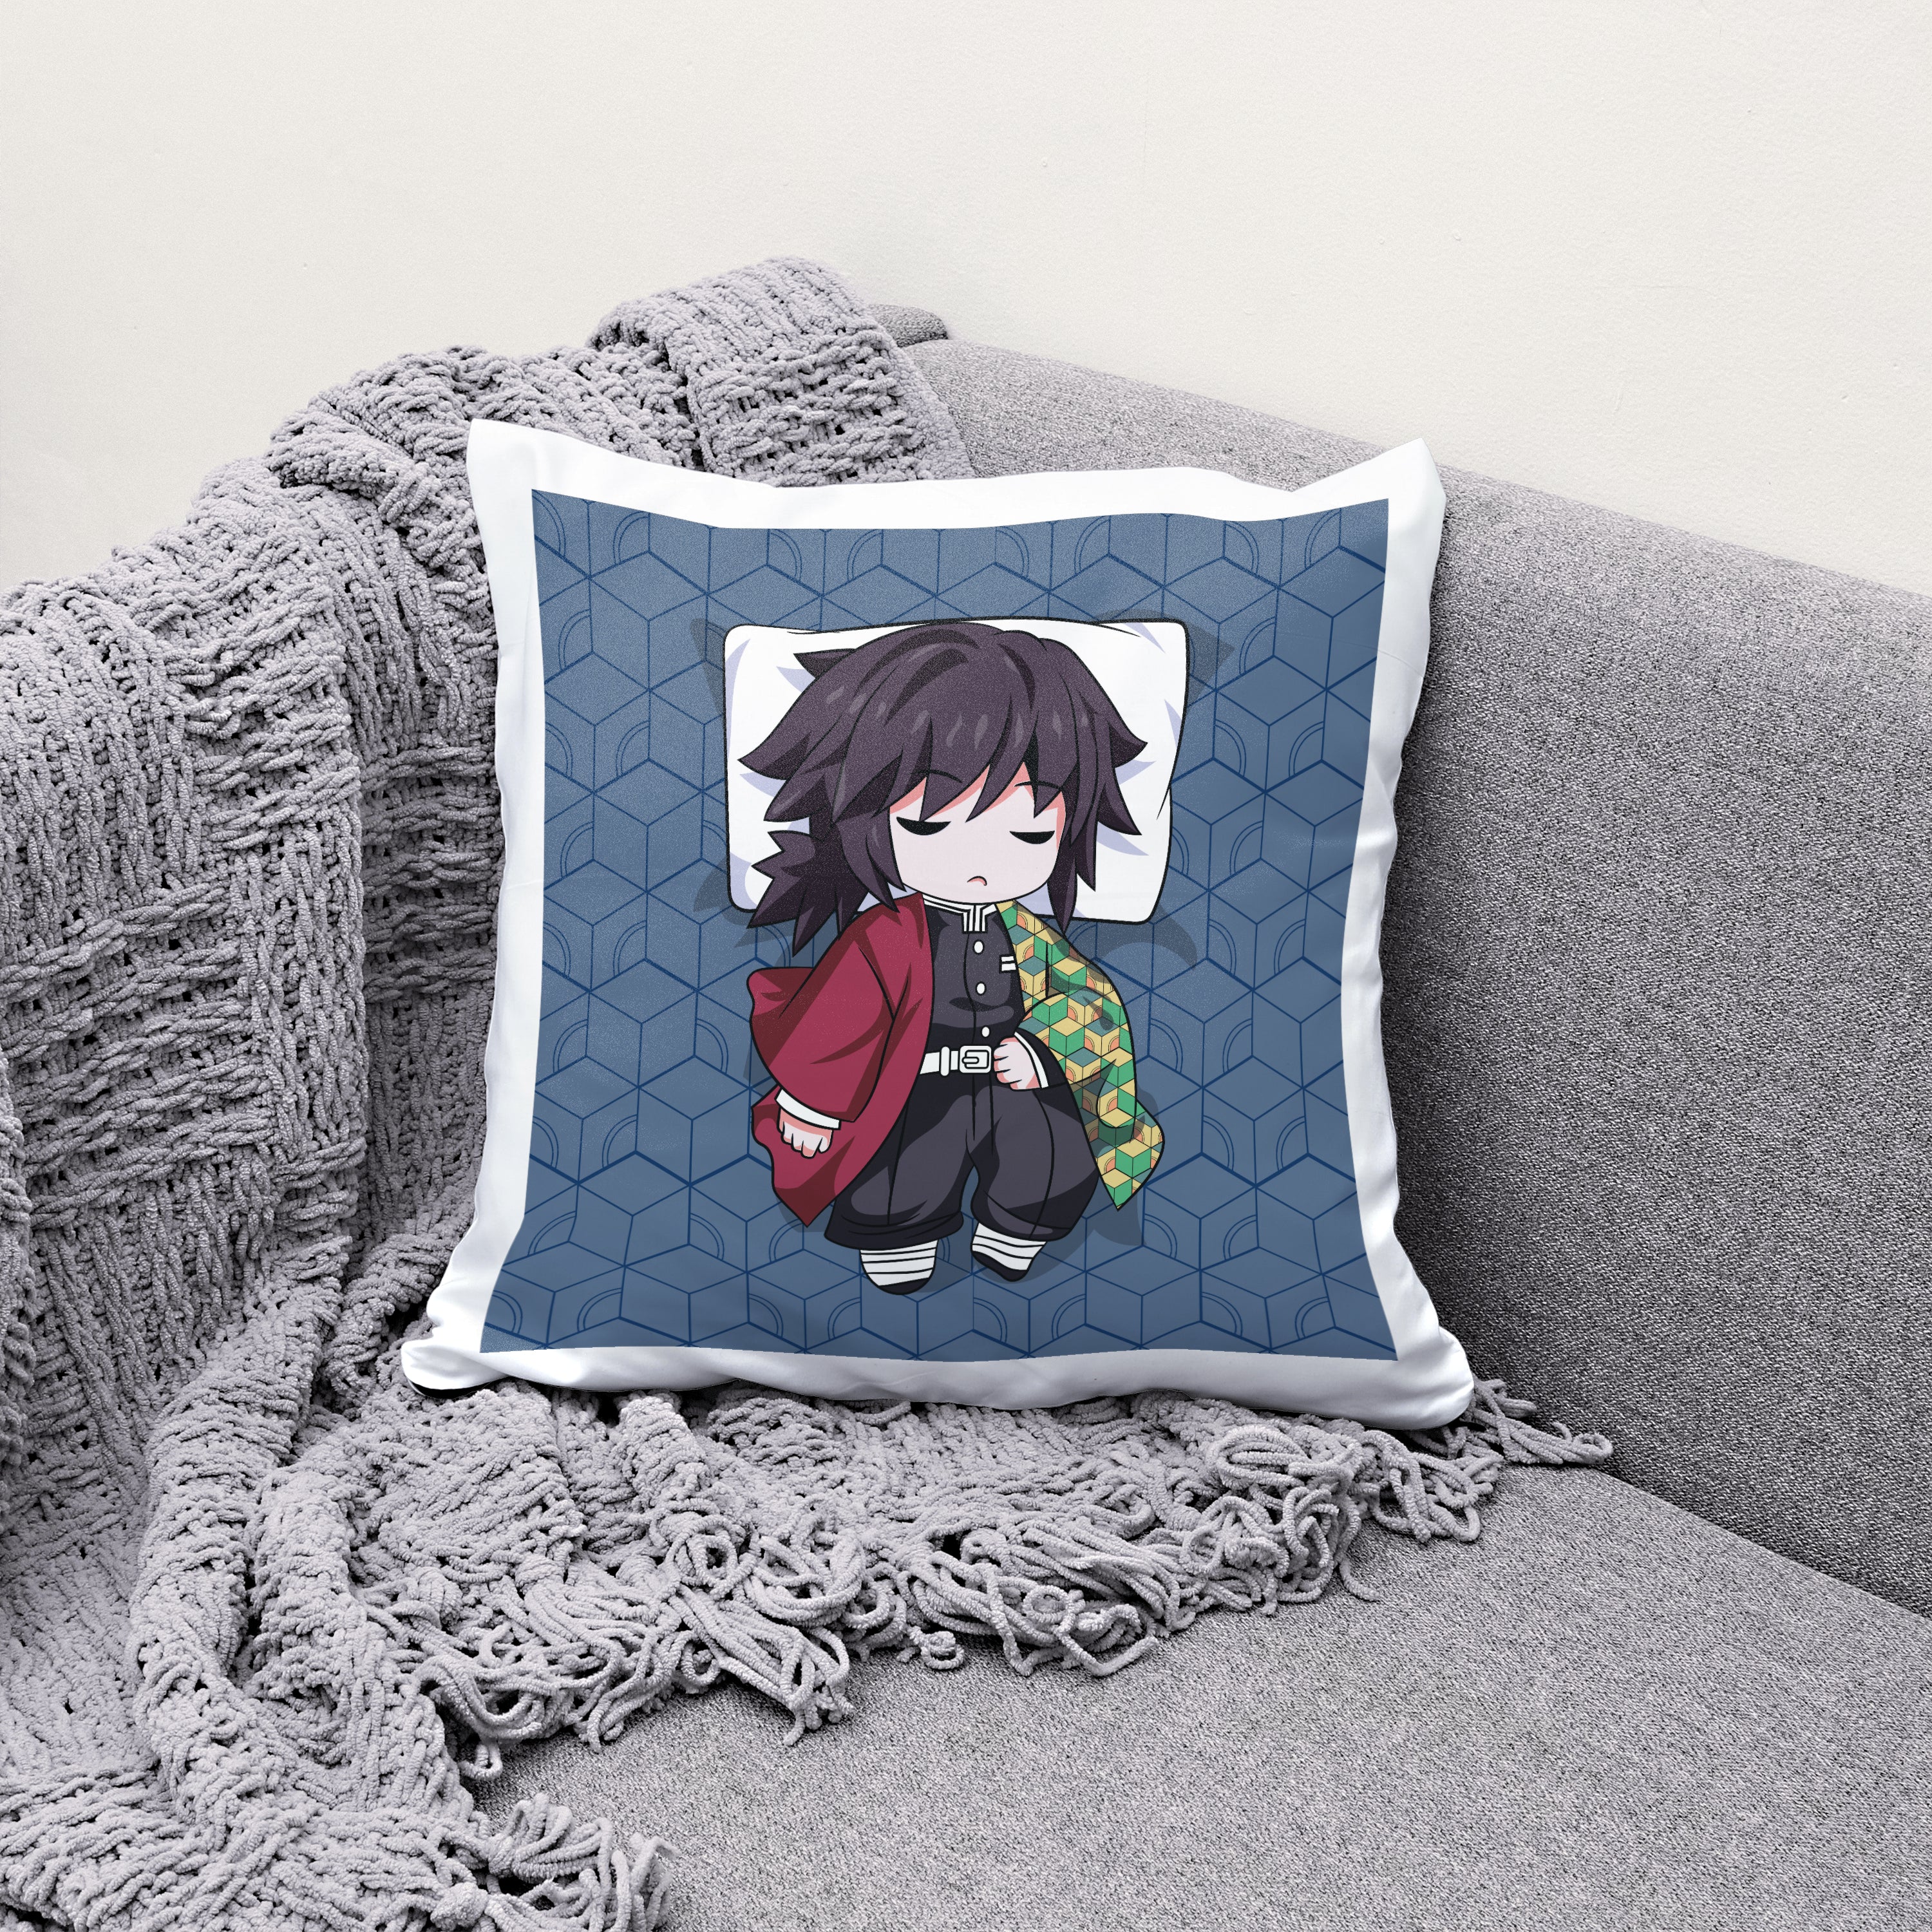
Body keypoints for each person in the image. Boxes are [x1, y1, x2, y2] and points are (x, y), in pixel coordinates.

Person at [743, 620, 1162, 1291]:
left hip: (1011, 1080)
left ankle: (1019, 1226)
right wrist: (814, 1105)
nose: (978, 861)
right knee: (901, 1168)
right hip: (915, 1084)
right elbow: (837, 1018)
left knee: (1053, 1150)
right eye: (928, 824)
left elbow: (1087, 1001)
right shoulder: (886, 935)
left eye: (1028, 831)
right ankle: (899, 1238)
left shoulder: (1032, 936)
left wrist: (1044, 1050)